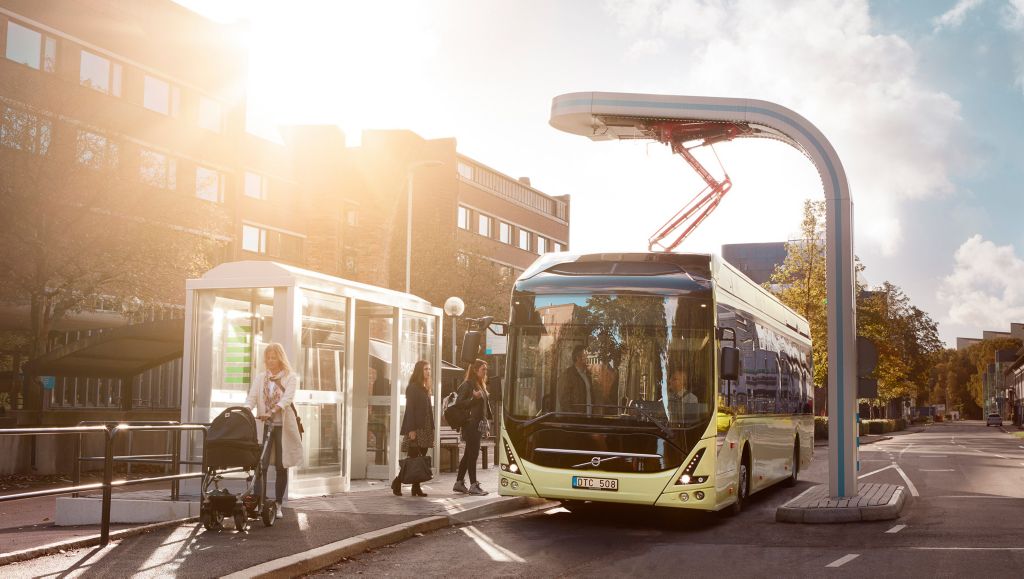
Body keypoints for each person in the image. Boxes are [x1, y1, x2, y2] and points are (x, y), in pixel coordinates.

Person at [246, 343, 303, 519]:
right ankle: (258, 502)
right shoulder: (261, 377)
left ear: (280, 358)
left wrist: (272, 411)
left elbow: (287, 399)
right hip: (265, 426)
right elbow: (253, 397)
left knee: (281, 465)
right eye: (268, 358)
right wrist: (245, 410)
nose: (270, 361)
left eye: (274, 357)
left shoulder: (290, 377)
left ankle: (278, 504)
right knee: (260, 465)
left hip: (282, 426)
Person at [392, 361, 434, 497]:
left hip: (426, 429)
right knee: (412, 458)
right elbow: (410, 410)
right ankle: (397, 482)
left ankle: (416, 488)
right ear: (419, 371)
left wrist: (431, 428)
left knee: (419, 460)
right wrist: (411, 430)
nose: (428, 371)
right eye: (425, 369)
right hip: (416, 428)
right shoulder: (413, 388)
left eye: (429, 369)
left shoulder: (425, 387)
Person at [453, 359, 492, 496]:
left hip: (478, 425)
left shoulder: (480, 384)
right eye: (483, 369)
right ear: (475, 370)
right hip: (470, 424)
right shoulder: (468, 385)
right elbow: (459, 403)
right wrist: (474, 399)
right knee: (473, 455)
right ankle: (473, 485)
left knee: (469, 454)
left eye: (486, 369)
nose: (485, 371)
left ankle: (459, 483)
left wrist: (486, 424)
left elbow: (484, 409)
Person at [559, 345, 593, 414]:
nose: (588, 359)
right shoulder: (568, 375)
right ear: (578, 358)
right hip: (576, 420)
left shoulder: (588, 375)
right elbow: (564, 401)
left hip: (589, 418)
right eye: (585, 356)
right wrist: (574, 418)